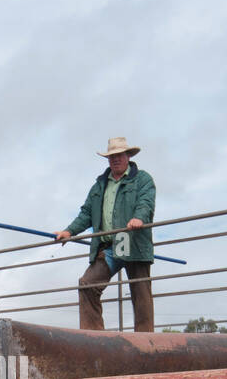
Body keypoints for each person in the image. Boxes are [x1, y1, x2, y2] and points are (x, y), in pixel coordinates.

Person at [56, 137, 158, 333]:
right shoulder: (100, 185)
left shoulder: (142, 179)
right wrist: (68, 231)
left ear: (128, 156)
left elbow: (146, 203)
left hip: (132, 239)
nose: (115, 159)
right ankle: (94, 337)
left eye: (119, 155)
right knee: (88, 284)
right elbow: (86, 213)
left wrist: (139, 218)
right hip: (108, 245)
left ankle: (146, 340)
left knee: (140, 290)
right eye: (111, 156)